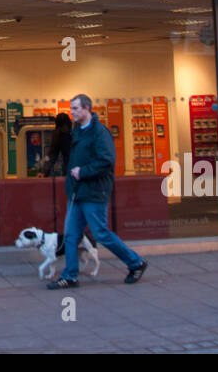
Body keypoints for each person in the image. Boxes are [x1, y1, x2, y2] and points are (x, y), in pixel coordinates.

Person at [48, 94, 148, 289]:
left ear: (87, 109)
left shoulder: (100, 133)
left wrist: (82, 172)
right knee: (70, 234)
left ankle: (136, 263)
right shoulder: (78, 130)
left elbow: (106, 160)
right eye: (72, 108)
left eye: (75, 108)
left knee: (101, 233)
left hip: (94, 192)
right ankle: (70, 276)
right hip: (77, 192)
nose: (72, 112)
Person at [42, 112, 74, 177]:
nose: (63, 130)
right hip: (68, 169)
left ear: (68, 124)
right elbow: (51, 154)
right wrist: (43, 171)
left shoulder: (78, 132)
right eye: (61, 128)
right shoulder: (58, 134)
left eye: (64, 127)